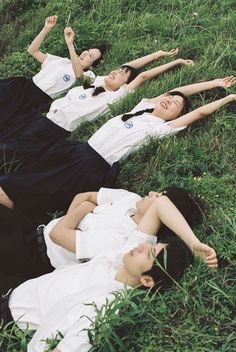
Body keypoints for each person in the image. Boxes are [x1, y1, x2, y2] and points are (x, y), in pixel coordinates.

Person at [0, 195, 217, 352]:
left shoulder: (105, 307)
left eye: (149, 254)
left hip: (8, 318)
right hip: (17, 285)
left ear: (147, 280)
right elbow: (160, 204)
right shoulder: (119, 259)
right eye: (150, 244)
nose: (141, 246)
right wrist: (194, 244)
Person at [0, 76, 234, 215]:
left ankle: (15, 209)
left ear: (175, 117)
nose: (170, 100)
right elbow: (179, 91)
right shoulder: (141, 108)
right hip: (76, 150)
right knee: (30, 176)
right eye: (170, 97)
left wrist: (227, 98)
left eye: (175, 105)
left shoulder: (161, 128)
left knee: (39, 192)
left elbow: (200, 112)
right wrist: (212, 82)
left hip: (90, 166)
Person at [0, 47, 186, 165]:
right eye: (118, 69)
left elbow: (143, 76)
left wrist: (168, 59)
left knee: (11, 151)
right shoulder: (96, 80)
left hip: (55, 129)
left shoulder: (117, 96)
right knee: (7, 137)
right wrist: (154, 54)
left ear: (124, 85)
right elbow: (128, 65)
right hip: (42, 117)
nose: (117, 72)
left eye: (123, 74)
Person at [0, 186, 217, 283]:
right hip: (37, 228)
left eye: (158, 195)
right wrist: (71, 218)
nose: (151, 193)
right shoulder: (129, 197)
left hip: (35, 254)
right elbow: (83, 195)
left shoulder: (124, 243)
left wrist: (82, 210)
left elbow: (60, 235)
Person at [0, 15, 105, 131]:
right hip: (22, 85)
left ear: (92, 66)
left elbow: (78, 75)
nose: (85, 53)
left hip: (35, 98)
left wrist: (70, 44)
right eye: (88, 50)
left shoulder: (88, 74)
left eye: (90, 56)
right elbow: (32, 50)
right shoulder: (62, 61)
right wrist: (46, 28)